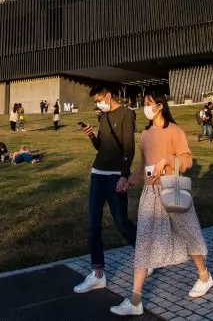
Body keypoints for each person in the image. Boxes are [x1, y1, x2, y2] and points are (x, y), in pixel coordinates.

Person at [110, 90, 212, 316]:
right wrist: (128, 180)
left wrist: (167, 160)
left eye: (148, 103)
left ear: (159, 105)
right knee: (143, 241)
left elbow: (186, 159)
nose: (145, 107)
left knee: (188, 232)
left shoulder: (174, 130)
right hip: (151, 192)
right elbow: (142, 167)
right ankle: (136, 301)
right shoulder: (145, 135)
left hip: (173, 186)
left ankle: (204, 276)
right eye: (143, 103)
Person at [74, 85, 137, 295]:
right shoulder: (103, 116)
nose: (98, 104)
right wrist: (92, 136)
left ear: (109, 96)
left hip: (115, 177)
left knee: (121, 222)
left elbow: (129, 146)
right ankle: (98, 274)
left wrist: (124, 174)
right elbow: (101, 146)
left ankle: (147, 255)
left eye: (100, 99)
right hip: (97, 174)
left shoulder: (126, 113)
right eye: (95, 102)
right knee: (93, 224)